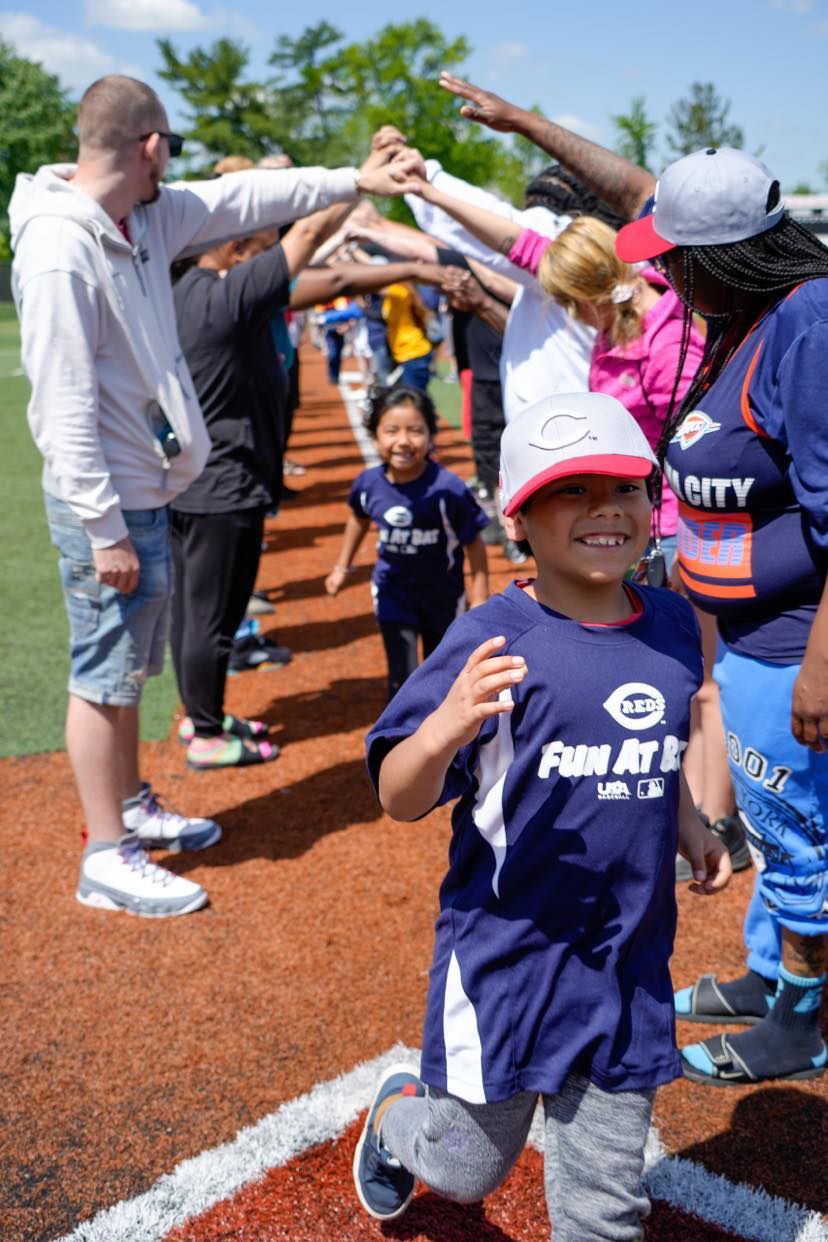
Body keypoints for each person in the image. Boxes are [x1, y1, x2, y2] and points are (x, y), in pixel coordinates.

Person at [438, 72, 828, 1084]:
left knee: (798, 842)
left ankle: (807, 1015)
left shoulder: (808, 326)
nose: (664, 281)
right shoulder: (755, 311)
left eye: (677, 263)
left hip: (795, 652)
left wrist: (821, 666)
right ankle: (768, 974)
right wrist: (526, 122)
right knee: (776, 819)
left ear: (721, 257)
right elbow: (639, 191)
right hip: (748, 637)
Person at [9, 73, 419, 917]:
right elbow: (60, 402)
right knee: (103, 675)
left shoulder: (145, 216)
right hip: (111, 502)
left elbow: (246, 195)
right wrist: (103, 525)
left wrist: (354, 180)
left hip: (142, 491)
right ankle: (105, 854)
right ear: (149, 145)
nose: (177, 167)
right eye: (173, 147)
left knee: (127, 673)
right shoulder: (60, 245)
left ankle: (126, 808)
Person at [353, 391, 730, 1235]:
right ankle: (395, 1121)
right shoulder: (493, 639)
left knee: (605, 1207)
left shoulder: (671, 623)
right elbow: (398, 795)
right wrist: (447, 724)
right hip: (508, 964)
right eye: (572, 490)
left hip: (627, 963)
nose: (606, 509)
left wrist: (690, 823)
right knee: (465, 1167)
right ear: (519, 516)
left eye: (626, 488)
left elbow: (656, 746)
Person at [170, 195, 362, 769]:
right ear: (232, 250)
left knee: (196, 609)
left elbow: (304, 257)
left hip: (201, 478)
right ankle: (205, 732)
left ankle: (199, 715)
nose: (269, 259)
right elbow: (302, 243)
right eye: (257, 249)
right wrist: (356, 185)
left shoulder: (181, 295)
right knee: (213, 615)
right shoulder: (221, 295)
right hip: (223, 482)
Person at [325, 386, 489, 700]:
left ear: (430, 436)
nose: (402, 441)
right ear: (375, 436)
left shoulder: (448, 489)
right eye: (391, 431)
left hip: (442, 596)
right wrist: (341, 567)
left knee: (444, 672)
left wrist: (480, 595)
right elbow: (358, 519)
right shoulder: (368, 484)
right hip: (392, 591)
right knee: (402, 673)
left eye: (415, 431)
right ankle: (403, 737)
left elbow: (474, 542)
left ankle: (447, 742)